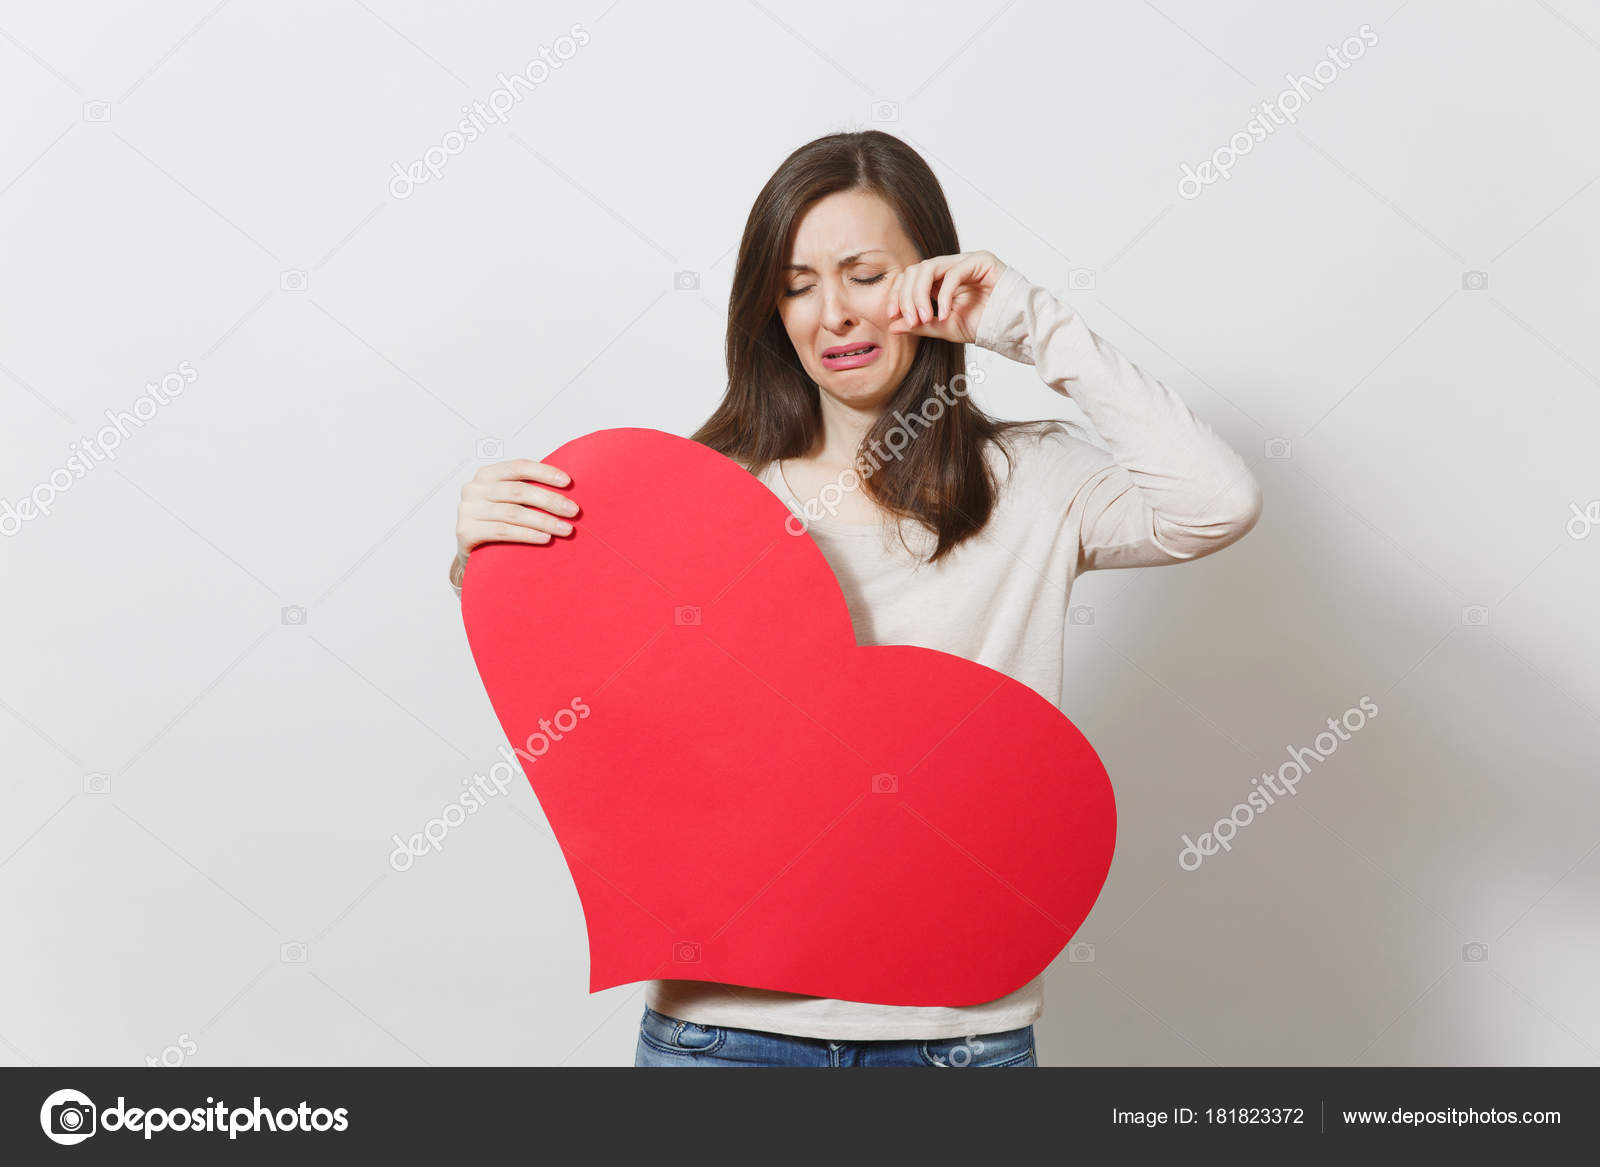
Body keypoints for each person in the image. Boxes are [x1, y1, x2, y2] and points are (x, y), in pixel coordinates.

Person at [449, 130, 1262, 1067]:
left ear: (935, 278)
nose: (832, 313)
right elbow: (595, 689)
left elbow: (1218, 501)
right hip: (723, 1036)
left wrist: (1035, 324)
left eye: (864, 274)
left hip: (956, 1042)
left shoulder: (1034, 478)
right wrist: (487, 550)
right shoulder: (705, 494)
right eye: (796, 286)